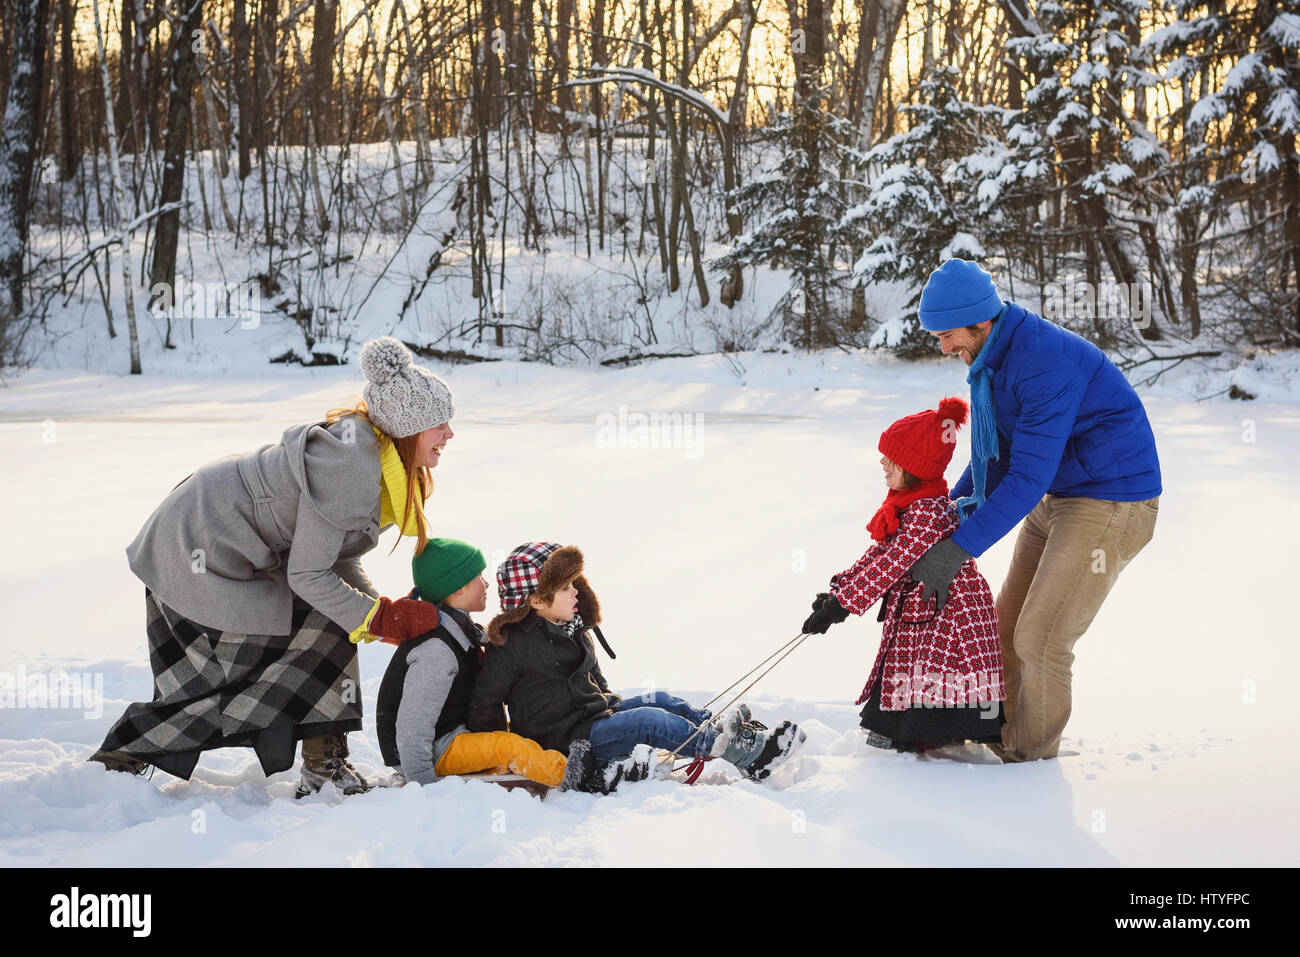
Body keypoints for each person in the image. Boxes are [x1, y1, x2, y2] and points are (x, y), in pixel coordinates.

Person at [90, 337, 454, 797]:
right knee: (236, 671)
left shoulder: (372, 455)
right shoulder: (352, 468)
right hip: (197, 552)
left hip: (220, 548)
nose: (449, 435)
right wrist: (377, 617)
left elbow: (335, 556)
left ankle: (324, 767)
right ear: (407, 427)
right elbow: (308, 575)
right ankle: (123, 755)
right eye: (439, 424)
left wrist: (377, 611)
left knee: (322, 629)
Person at [906, 259, 1161, 762]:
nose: (943, 348)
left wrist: (956, 550)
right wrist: (941, 513)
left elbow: (1026, 477)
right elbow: (995, 458)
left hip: (1112, 502)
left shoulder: (1043, 360)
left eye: (948, 335)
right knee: (1005, 626)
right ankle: (998, 734)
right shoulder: (994, 361)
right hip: (1059, 496)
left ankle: (1029, 762)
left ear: (980, 322)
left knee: (1041, 637)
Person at [466, 543, 806, 784]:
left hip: (595, 717)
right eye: (566, 587)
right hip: (567, 741)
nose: (576, 594)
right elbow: (486, 699)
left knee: (658, 698)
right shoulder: (510, 644)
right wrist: (494, 748)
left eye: (575, 585)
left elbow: (595, 679)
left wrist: (614, 710)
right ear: (537, 598)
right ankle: (744, 754)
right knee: (649, 721)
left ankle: (716, 730)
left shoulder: (573, 628)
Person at [802, 397, 1005, 753]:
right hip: (926, 614)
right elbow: (880, 554)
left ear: (914, 466)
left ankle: (940, 757)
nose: (882, 462)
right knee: (909, 682)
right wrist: (839, 593)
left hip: (947, 618)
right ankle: (910, 746)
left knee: (934, 689)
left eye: (891, 458)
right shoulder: (909, 505)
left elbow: (893, 562)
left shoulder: (926, 511)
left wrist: (843, 606)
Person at [375, 537, 572, 790]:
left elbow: (482, 638)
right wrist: (422, 784)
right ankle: (572, 774)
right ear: (458, 588)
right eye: (479, 577)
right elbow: (412, 726)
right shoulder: (436, 650)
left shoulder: (458, 629)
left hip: (452, 736)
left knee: (517, 736)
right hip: (434, 751)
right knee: (507, 747)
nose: (487, 583)